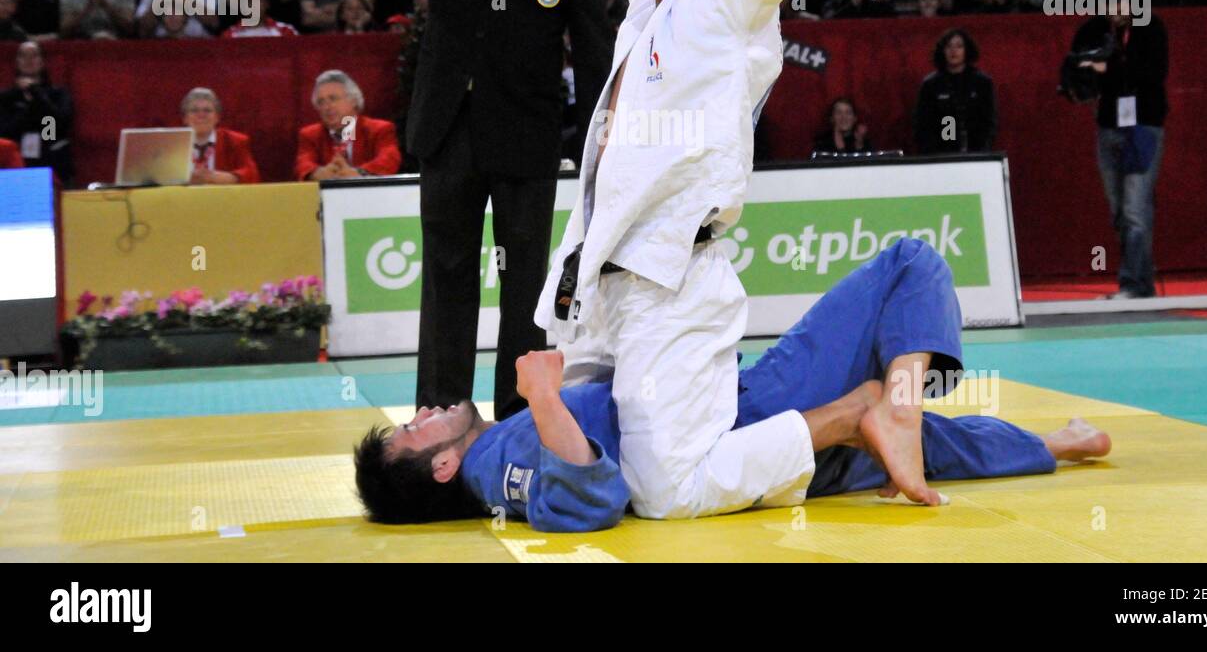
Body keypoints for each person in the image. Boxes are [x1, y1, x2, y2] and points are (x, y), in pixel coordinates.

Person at [529, 0, 947, 518]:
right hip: (598, 287)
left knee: (663, 493)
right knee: (559, 452)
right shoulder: (642, 17)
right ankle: (916, 426)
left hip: (670, 285)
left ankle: (860, 414)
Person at [167, 0, 613, 420]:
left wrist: (599, 143)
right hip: (449, 127)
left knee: (527, 286)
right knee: (447, 274)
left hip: (528, 133)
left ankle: (519, 418)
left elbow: (594, 52)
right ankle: (440, 413)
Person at [354, 238, 1112, 530]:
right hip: (742, 416)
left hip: (748, 437)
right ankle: (899, 409)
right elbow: (588, 500)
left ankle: (1032, 443)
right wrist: (546, 396)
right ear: (442, 465)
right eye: (412, 431)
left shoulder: (496, 466)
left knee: (884, 450)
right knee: (911, 263)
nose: (423, 412)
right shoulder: (499, 465)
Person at [1070, 1, 1169, 299]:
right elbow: (1078, 65)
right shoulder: (1095, 29)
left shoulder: (1150, 27)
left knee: (1135, 209)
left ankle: (1132, 284)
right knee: (1119, 212)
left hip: (1143, 126)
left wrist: (1108, 67)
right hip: (1109, 125)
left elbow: (1153, 73)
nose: (1114, 8)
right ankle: (1141, 283)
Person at [295, 70, 402, 181]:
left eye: (333, 98)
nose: (327, 107)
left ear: (354, 101)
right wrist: (318, 173)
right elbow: (303, 164)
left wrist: (358, 174)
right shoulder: (310, 135)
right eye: (321, 102)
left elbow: (389, 160)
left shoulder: (379, 130)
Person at [0, 41, 74, 183]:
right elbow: (7, 132)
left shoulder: (58, 94)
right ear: (17, 62)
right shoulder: (6, 98)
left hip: (50, 160)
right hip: (16, 164)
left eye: (34, 56)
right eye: (24, 56)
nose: (29, 60)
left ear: (42, 62)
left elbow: (52, 132)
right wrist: (30, 112)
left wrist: (36, 93)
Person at [914, 28, 996, 155]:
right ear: (942, 51)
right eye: (949, 46)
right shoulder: (931, 84)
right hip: (941, 153)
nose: (953, 51)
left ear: (967, 50)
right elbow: (923, 124)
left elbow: (989, 121)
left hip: (976, 152)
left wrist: (983, 150)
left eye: (959, 46)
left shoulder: (982, 83)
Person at [181, 87, 260, 185]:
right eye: (194, 110)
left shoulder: (235, 141)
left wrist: (219, 178)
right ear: (185, 118)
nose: (201, 115)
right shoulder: (172, 144)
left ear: (217, 117)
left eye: (207, 110)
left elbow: (252, 175)